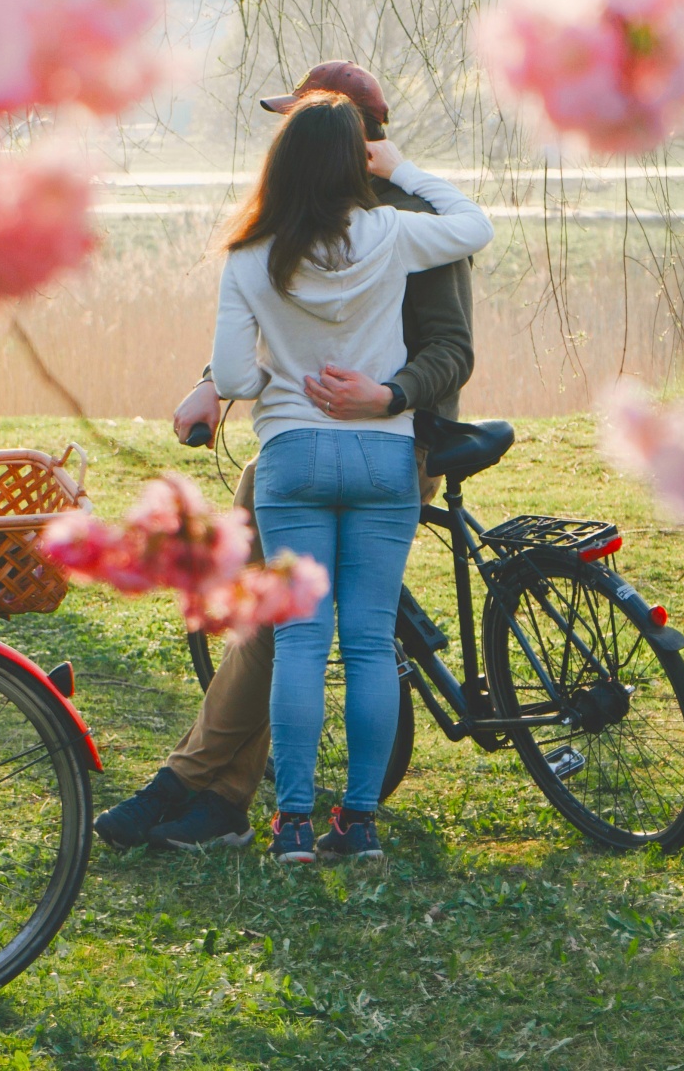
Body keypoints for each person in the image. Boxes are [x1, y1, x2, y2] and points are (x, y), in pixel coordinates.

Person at [92, 62, 480, 855]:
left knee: (286, 627)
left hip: (375, 433)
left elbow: (451, 349)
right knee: (339, 634)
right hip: (366, 454)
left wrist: (387, 392)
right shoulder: (393, 226)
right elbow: (261, 346)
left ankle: (229, 796)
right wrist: (211, 386)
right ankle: (265, 802)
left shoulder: (399, 216)